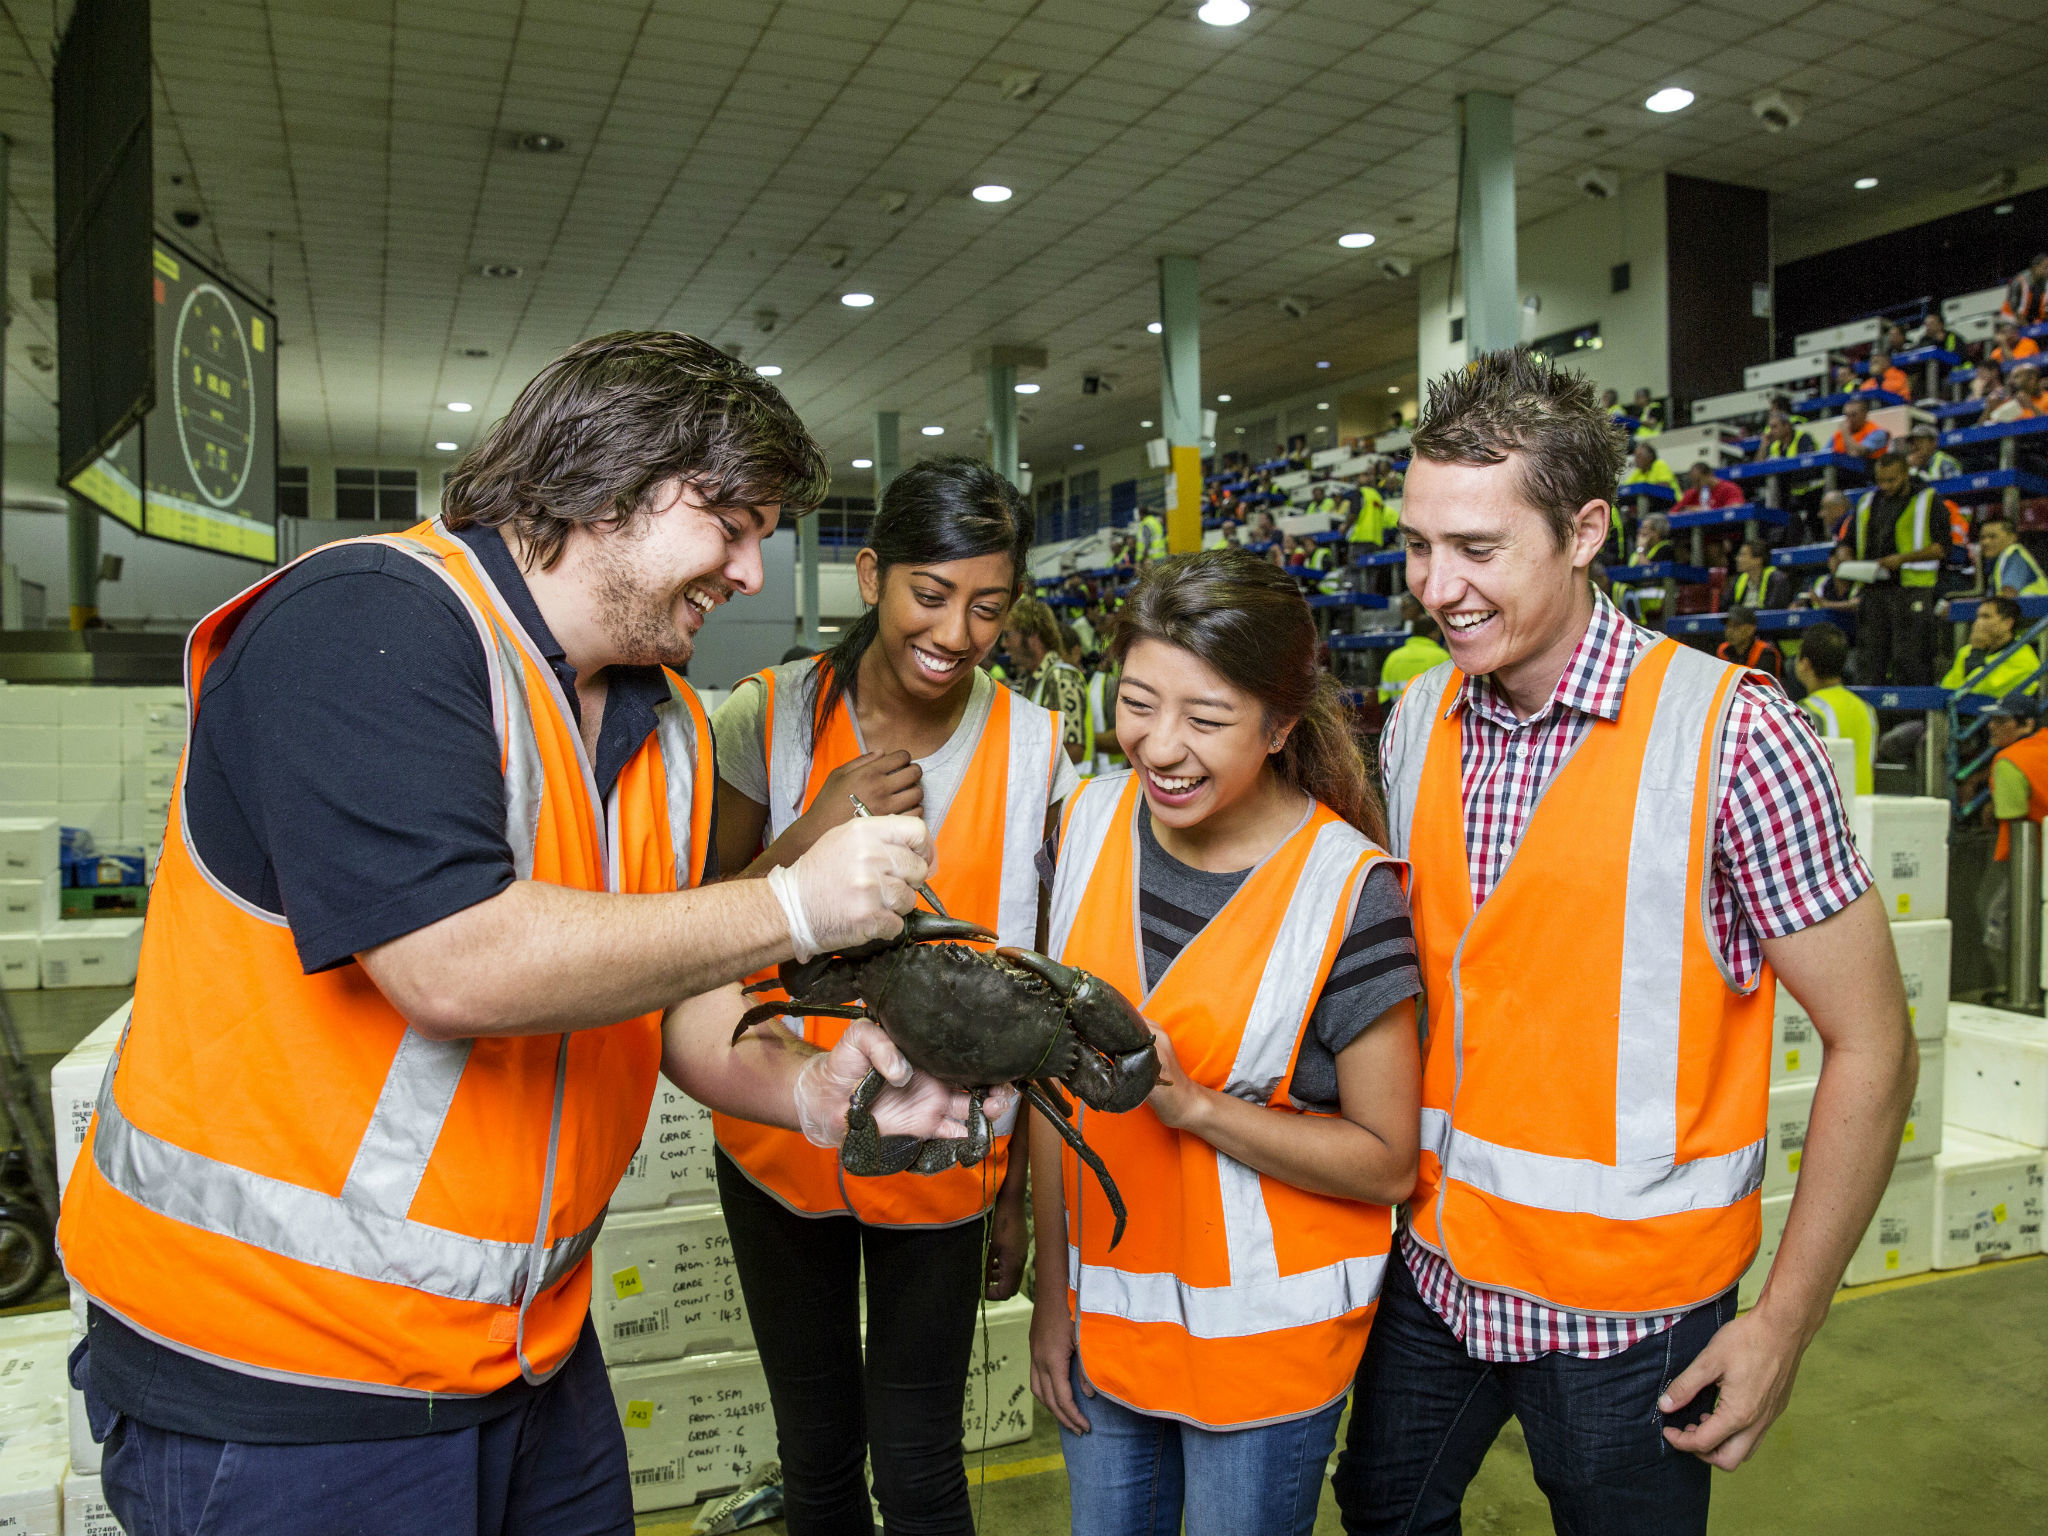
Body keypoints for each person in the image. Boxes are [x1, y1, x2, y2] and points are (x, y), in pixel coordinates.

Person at [57, 332, 983, 1535]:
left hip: (523, 1353)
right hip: (286, 1376)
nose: (753, 573)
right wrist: (792, 903)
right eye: (730, 526)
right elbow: (450, 961)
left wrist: (815, 1093)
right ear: (607, 487)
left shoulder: (668, 725)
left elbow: (669, 993)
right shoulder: (369, 621)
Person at [1335, 347, 1916, 1536]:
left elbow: (1872, 1044)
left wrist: (1784, 1320)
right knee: (1381, 1510)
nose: (1435, 587)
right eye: (1417, 546)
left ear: (1584, 532)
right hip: (1437, 1269)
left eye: (1476, 549)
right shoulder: (1415, 718)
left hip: (1631, 1318)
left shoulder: (1733, 738)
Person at [707, 455, 1074, 1535]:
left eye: (989, 607)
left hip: (949, 1153)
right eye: (931, 593)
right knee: (818, 1461)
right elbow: (698, 928)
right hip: (780, 1147)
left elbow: (1037, 991)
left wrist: (1014, 1193)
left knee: (920, 1470)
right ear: (871, 576)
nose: (957, 632)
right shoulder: (765, 716)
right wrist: (812, 830)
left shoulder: (1036, 748)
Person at [1031, 550, 1421, 1536]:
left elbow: (1386, 1162)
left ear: (1279, 727)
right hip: (1105, 1327)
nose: (1159, 745)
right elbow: (1052, 1088)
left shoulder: (1348, 891)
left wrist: (1196, 1108)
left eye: (1205, 720)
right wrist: (1053, 1295)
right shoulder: (1082, 824)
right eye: (1136, 703)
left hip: (1262, 1351)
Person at [1846, 451, 1950, 687]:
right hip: (1873, 591)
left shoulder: (1928, 499)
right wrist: (1846, 558)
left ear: (1905, 474)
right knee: (1870, 660)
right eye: (1880, 480)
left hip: (1912, 589)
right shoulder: (1867, 502)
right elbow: (1848, 542)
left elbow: (1942, 548)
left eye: (1891, 480)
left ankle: (1913, 709)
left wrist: (1901, 559)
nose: (1884, 486)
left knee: (1910, 660)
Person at [1005, 594, 1089, 764]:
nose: (1004, 644)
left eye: (1008, 635)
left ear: (1032, 636)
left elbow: (1074, 750)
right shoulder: (1031, 680)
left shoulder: (1061, 678)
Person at [1793, 623, 1875, 795]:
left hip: (1832, 809)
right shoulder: (1866, 709)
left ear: (1805, 664)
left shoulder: (1807, 712)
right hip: (1862, 808)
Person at [1939, 596, 2041, 700]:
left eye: (1986, 617)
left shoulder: (2023, 658)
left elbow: (1980, 693)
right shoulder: (1966, 651)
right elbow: (1947, 689)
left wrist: (1977, 652)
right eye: (1977, 617)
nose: (1977, 623)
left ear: (2007, 623)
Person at [1988, 697, 2048, 861]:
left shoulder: (2009, 760)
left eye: (2001, 721)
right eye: (1992, 719)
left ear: (2028, 724)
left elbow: (2012, 814)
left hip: (2034, 858)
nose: (1991, 726)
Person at [1379, 597, 1451, 702]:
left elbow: (1383, 697)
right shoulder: (1442, 657)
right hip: (1433, 712)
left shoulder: (1393, 657)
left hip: (1398, 711)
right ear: (1433, 634)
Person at [1624, 510, 1676, 624]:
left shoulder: (1665, 549)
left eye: (1646, 528)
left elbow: (1648, 573)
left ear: (1657, 532)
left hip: (1659, 606)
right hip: (1637, 604)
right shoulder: (1637, 554)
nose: (1641, 531)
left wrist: (1640, 549)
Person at [1979, 514, 2048, 596]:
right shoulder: (1996, 562)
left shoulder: (2014, 556)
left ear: (2012, 537)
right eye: (1982, 537)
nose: (1985, 542)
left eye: (1993, 536)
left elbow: (2008, 594)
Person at [1796, 538, 1863, 615]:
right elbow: (1804, 601)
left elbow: (1857, 604)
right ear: (1829, 561)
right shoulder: (1822, 582)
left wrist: (1826, 604)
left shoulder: (1860, 582)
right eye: (1836, 558)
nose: (1839, 562)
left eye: (1844, 559)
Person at [1716, 604, 1783, 680]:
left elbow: (1763, 684)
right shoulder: (1723, 650)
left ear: (1751, 629)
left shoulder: (1765, 653)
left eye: (1736, 626)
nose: (1730, 631)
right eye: (1728, 626)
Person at [1728, 539, 1791, 612]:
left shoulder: (1777, 579)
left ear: (1758, 560)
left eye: (1743, 555)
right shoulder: (1738, 580)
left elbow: (1774, 609)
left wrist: (1743, 612)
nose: (1738, 559)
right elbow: (1726, 606)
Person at [1832, 396, 1891, 461]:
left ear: (1864, 414)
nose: (1849, 419)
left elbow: (1857, 453)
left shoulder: (1877, 433)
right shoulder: (1839, 434)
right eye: (1847, 415)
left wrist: (1846, 434)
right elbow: (1825, 453)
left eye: (1853, 415)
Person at [1905, 422, 1961, 486]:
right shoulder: (1910, 465)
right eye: (1912, 443)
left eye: (1920, 441)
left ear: (1933, 442)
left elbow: (1955, 487)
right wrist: (1906, 466)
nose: (1915, 446)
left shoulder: (1945, 463)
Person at [2000, 252, 2048, 327]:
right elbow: (2015, 310)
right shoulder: (2020, 282)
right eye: (2046, 267)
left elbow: (2042, 309)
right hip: (2011, 321)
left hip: (2030, 319)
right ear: (2036, 268)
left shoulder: (2043, 282)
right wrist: (2028, 328)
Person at [1676, 459, 1742, 512]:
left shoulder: (1729, 488)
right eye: (1693, 482)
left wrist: (1703, 510)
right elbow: (1673, 513)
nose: (1696, 486)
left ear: (1709, 475)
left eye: (1698, 481)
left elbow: (1735, 509)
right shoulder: (1693, 493)